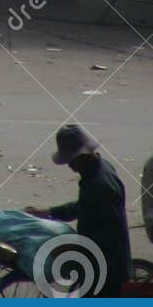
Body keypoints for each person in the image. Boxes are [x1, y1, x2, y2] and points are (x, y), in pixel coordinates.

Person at [29, 124, 131, 297]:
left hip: (106, 270)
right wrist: (48, 212)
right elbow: (83, 207)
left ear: (83, 156)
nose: (69, 165)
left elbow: (111, 235)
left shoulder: (100, 185)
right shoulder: (96, 171)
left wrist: (75, 247)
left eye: (71, 160)